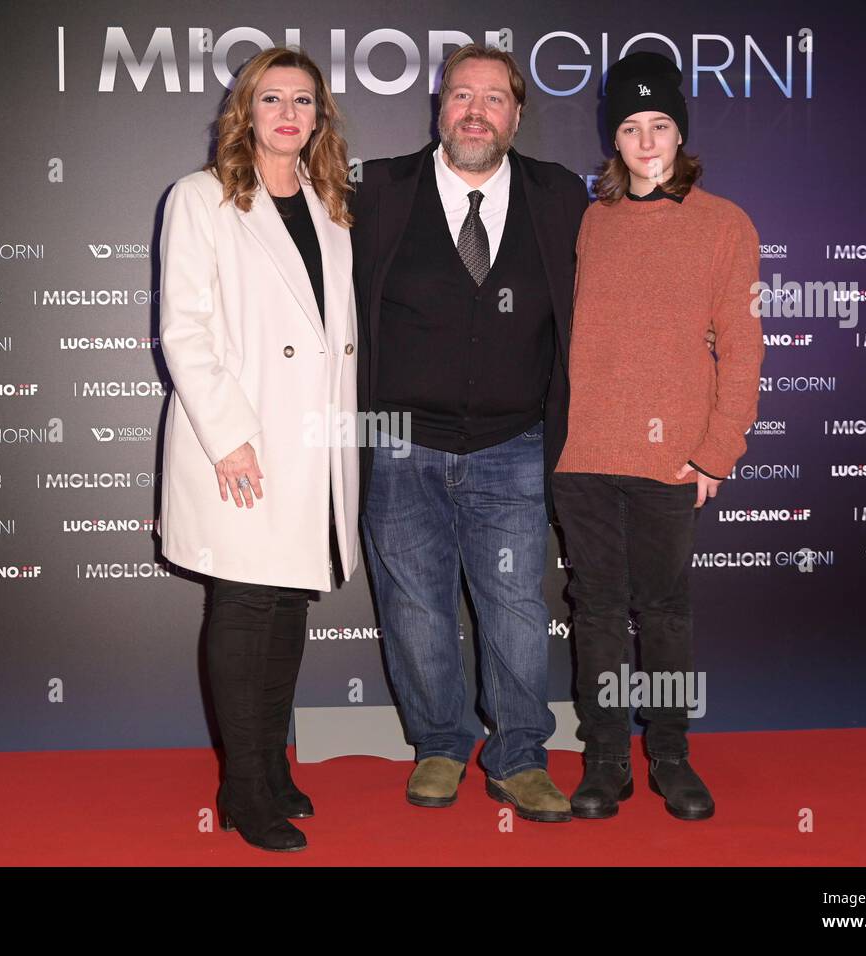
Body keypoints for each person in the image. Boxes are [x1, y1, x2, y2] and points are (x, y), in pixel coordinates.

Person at [350, 44, 589, 823]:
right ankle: (440, 747)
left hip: (515, 445)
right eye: (461, 95)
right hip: (399, 441)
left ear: (518, 114)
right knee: (414, 607)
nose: (475, 111)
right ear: (438, 109)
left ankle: (520, 756)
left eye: (493, 97)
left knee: (515, 607)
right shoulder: (379, 190)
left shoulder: (560, 197)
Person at [551, 51, 764, 821]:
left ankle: (670, 753)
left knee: (666, 612)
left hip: (672, 457)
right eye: (632, 127)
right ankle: (607, 758)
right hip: (584, 458)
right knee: (598, 612)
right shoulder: (592, 220)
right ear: (615, 139)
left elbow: (742, 347)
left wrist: (716, 450)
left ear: (681, 134)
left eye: (661, 125)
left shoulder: (724, 224)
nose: (646, 141)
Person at [156, 46, 360, 852]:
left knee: (283, 611)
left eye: (303, 101)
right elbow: (185, 327)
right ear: (246, 111)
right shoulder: (201, 199)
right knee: (243, 607)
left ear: (319, 118)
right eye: (271, 98)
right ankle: (243, 788)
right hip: (240, 441)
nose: (287, 114)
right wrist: (230, 437)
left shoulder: (331, 205)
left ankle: (269, 769)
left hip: (311, 446)